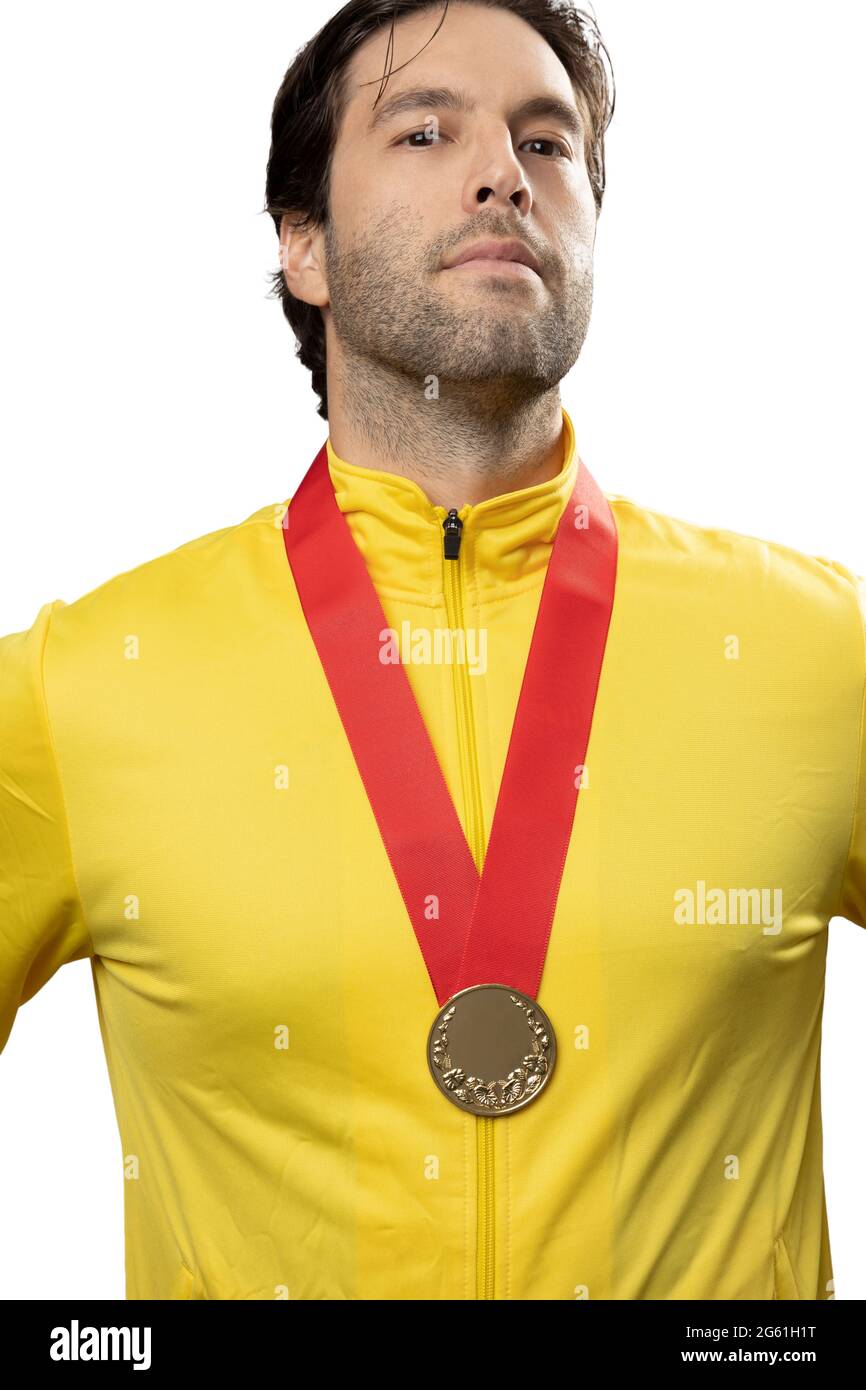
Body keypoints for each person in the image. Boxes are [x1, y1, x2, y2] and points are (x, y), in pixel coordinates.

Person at [1, 0, 863, 1301]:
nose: (502, 171)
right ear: (306, 246)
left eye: (547, 142)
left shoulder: (814, 654)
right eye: (421, 129)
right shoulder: (83, 684)